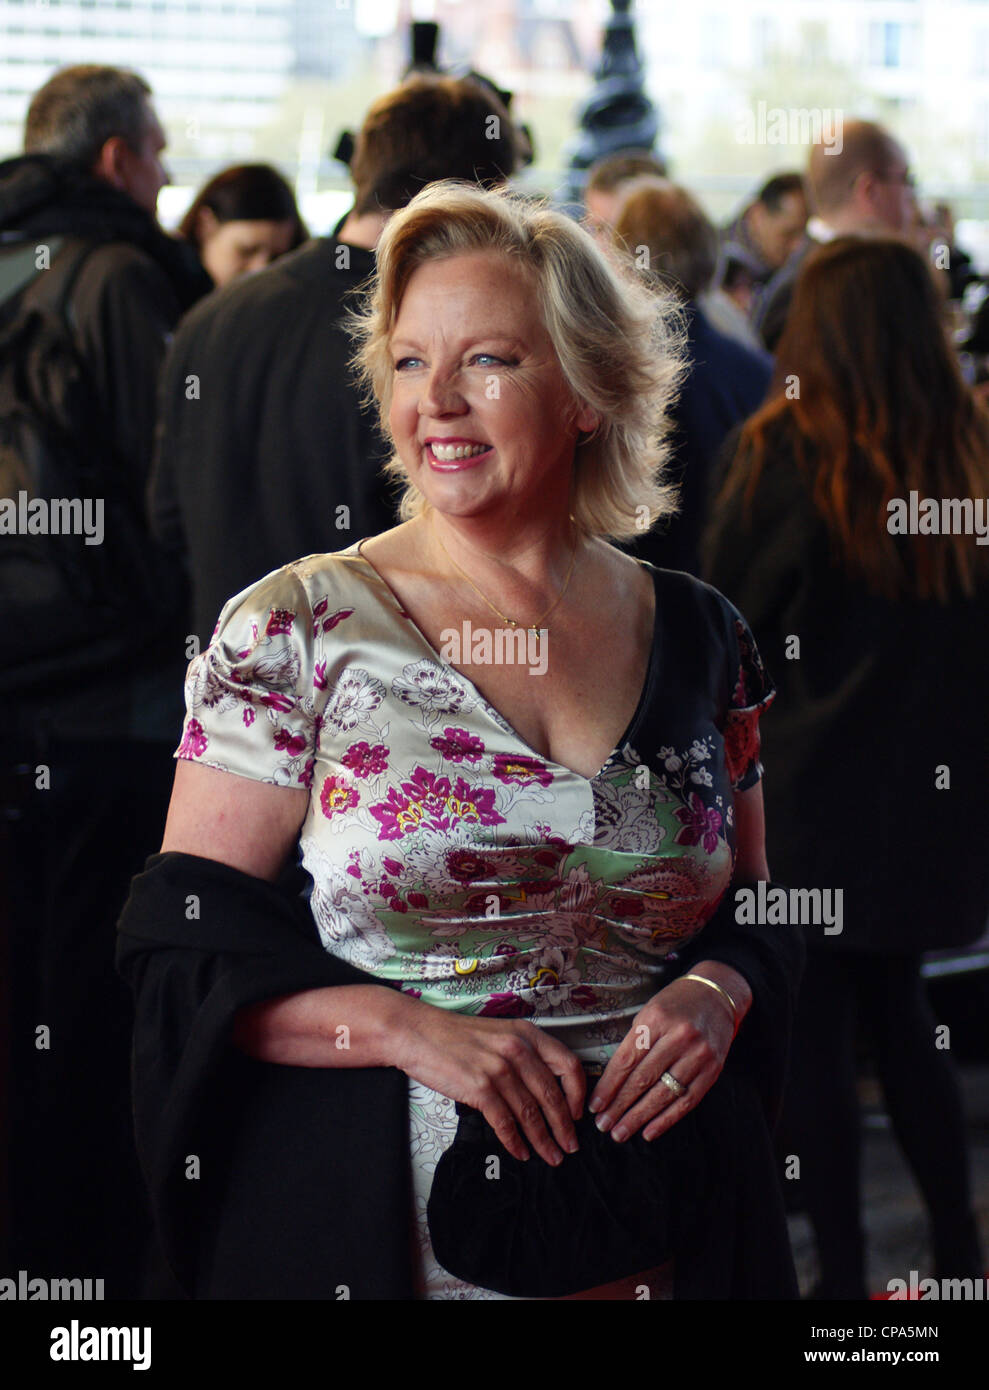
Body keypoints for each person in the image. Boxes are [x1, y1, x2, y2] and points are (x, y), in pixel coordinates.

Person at [118, 180, 803, 1301]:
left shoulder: (701, 632)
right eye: (404, 361)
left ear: (585, 391)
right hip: (378, 1238)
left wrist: (721, 987)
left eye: (486, 360)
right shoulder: (292, 629)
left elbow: (766, 909)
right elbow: (180, 949)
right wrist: (401, 1030)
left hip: (672, 1237)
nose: (434, 399)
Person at [703, 236, 989, 1298]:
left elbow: (730, 624)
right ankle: (958, 1252)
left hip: (807, 799)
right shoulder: (968, 454)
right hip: (932, 806)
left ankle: (838, 1273)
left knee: (816, 1032)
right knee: (904, 1014)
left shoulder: (784, 453)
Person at [0, 64, 209, 1293]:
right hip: (109, 703)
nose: (170, 171)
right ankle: (93, 1260)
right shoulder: (119, 276)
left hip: (12, 681)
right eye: (161, 148)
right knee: (97, 989)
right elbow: (163, 493)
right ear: (121, 157)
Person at [150, 73, 526, 650]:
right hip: (378, 700)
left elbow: (168, 518)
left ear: (364, 171)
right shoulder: (431, 338)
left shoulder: (211, 316)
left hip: (229, 693)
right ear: (473, 194)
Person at [612, 177, 771, 575]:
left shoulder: (615, 375)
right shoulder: (758, 371)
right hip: (739, 593)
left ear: (624, 258)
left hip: (646, 595)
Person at [755, 121, 916, 351]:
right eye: (906, 180)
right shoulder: (803, 291)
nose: (911, 197)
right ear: (869, 190)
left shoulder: (853, 272)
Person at [176, 163, 307, 287]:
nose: (261, 269)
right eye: (247, 251)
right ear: (205, 226)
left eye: (277, 258)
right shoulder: (163, 298)